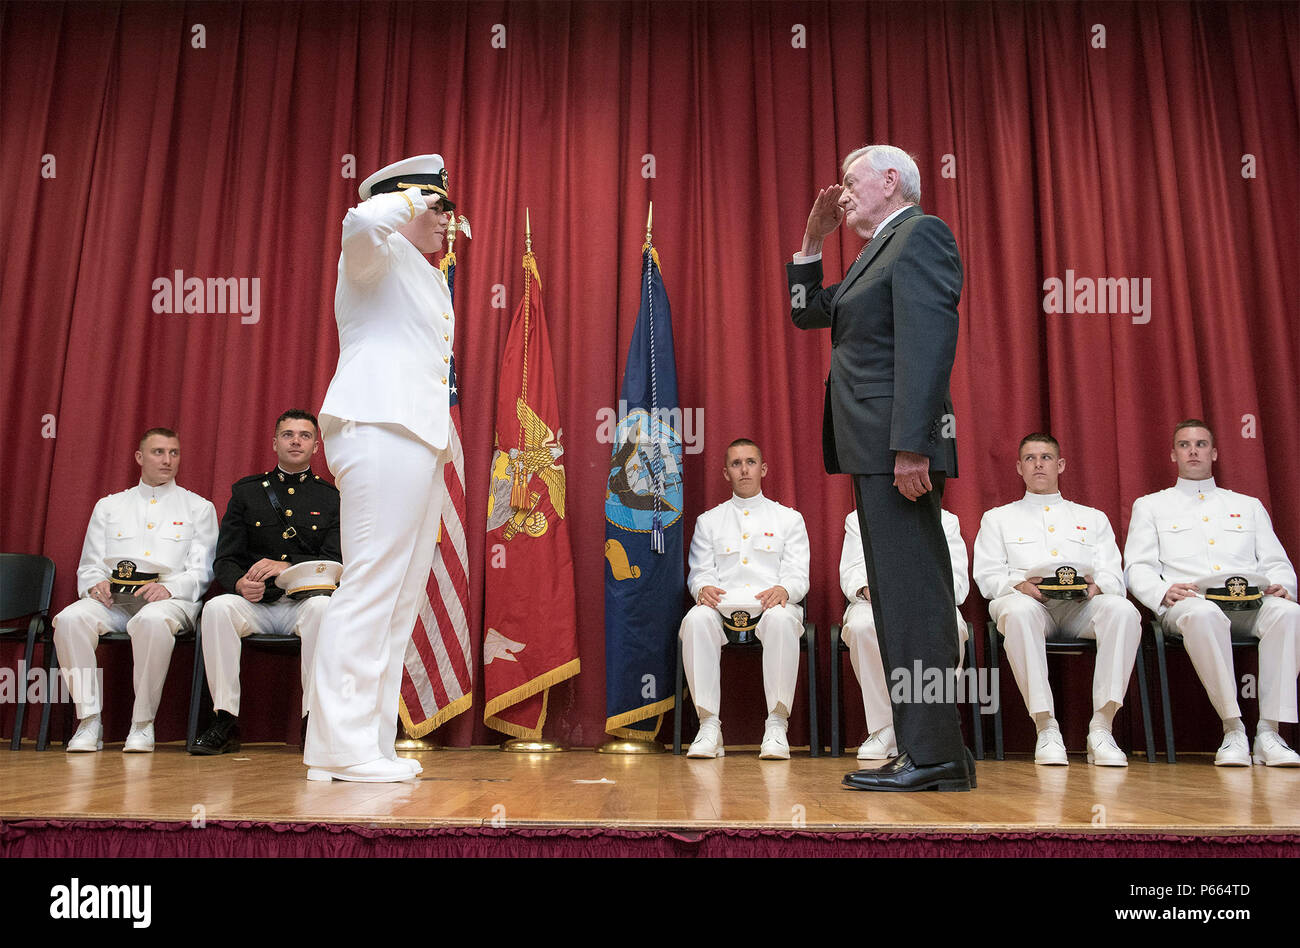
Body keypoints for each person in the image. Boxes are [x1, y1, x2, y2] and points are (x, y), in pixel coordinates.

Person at [788, 144, 969, 791]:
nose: (842, 192)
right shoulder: (876, 251)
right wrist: (813, 241)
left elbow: (929, 339)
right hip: (877, 449)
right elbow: (810, 311)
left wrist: (914, 444)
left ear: (891, 180)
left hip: (900, 452)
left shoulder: (922, 235)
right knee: (898, 600)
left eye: (851, 180)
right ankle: (925, 748)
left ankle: (936, 755)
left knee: (916, 600)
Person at [303, 154, 457, 783]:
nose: (448, 221)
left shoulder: (425, 272)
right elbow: (358, 226)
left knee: (398, 596)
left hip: (417, 434)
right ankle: (340, 746)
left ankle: (367, 739)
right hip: (377, 424)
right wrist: (409, 202)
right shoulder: (374, 251)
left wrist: (422, 205)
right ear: (409, 202)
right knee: (370, 584)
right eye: (438, 207)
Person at [1124, 419, 1300, 766]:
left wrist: (1283, 586)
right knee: (1204, 615)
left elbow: (1275, 561)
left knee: (1290, 613)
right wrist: (1161, 592)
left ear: (1214, 453)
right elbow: (1137, 566)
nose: (1193, 451)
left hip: (1250, 601)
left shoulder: (1248, 505)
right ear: (1173, 454)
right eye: (1185, 445)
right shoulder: (1152, 505)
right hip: (1191, 603)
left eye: (1201, 444)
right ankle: (1233, 729)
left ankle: (1268, 732)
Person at [973, 433, 1141, 766]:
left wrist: (1097, 587)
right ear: (1019, 467)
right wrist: (1020, 585)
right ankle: (1046, 726)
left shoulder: (1092, 518)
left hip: (1081, 607)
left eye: (1046, 457)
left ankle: (1102, 728)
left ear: (1060, 465)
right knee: (1018, 613)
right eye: (1031, 458)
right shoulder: (998, 518)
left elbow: (1112, 574)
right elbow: (987, 575)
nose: (1039, 464)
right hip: (1030, 604)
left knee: (1123, 611)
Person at [52, 428, 217, 752]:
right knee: (69, 620)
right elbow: (89, 564)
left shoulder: (198, 507)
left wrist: (169, 589)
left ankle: (142, 724)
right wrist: (94, 584)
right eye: (158, 452)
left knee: (151, 622)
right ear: (140, 457)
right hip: (114, 601)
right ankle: (89, 721)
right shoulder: (110, 506)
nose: (167, 460)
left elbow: (202, 570)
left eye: (174, 452)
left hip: (168, 601)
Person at [192, 409, 341, 755]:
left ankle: (313, 722)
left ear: (316, 447)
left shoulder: (330, 498)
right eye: (288, 434)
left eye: (304, 436)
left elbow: (334, 560)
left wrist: (285, 565)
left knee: (324, 608)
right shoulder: (247, 493)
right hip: (255, 603)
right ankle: (224, 719)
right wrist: (240, 584)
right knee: (216, 608)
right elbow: (225, 559)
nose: (295, 441)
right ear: (274, 442)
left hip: (302, 602)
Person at [680, 439, 810, 760]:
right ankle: (709, 726)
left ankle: (777, 725)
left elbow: (797, 574)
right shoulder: (709, 521)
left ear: (763, 468)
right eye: (736, 464)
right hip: (722, 606)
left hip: (772, 605)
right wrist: (702, 588)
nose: (744, 469)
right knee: (695, 619)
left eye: (750, 462)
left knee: (781, 618)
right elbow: (699, 571)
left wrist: (785, 590)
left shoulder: (788, 519)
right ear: (726, 473)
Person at [840, 507, 969, 760]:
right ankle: (884, 727)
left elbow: (958, 583)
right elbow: (852, 571)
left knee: (950, 627)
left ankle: (932, 729)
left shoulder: (947, 520)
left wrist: (915, 591)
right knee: (860, 626)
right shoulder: (859, 518)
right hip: (875, 601)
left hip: (931, 601)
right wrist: (870, 590)